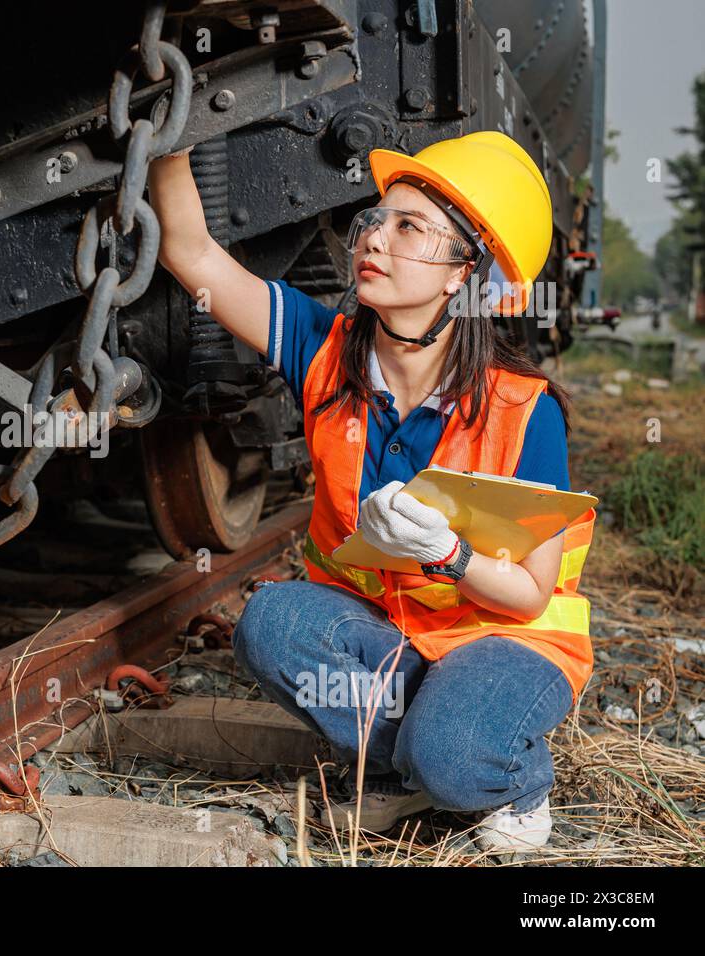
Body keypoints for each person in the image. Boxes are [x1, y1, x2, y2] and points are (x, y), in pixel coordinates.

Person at [146, 131, 597, 853]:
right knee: (270, 622)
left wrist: (446, 554)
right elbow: (191, 254)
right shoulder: (325, 351)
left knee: (453, 758)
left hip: (504, 636)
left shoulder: (522, 409)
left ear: (461, 274)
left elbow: (529, 595)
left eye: (409, 228)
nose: (375, 239)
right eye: (376, 221)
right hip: (392, 637)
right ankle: (419, 751)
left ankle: (511, 777)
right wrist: (168, 136)